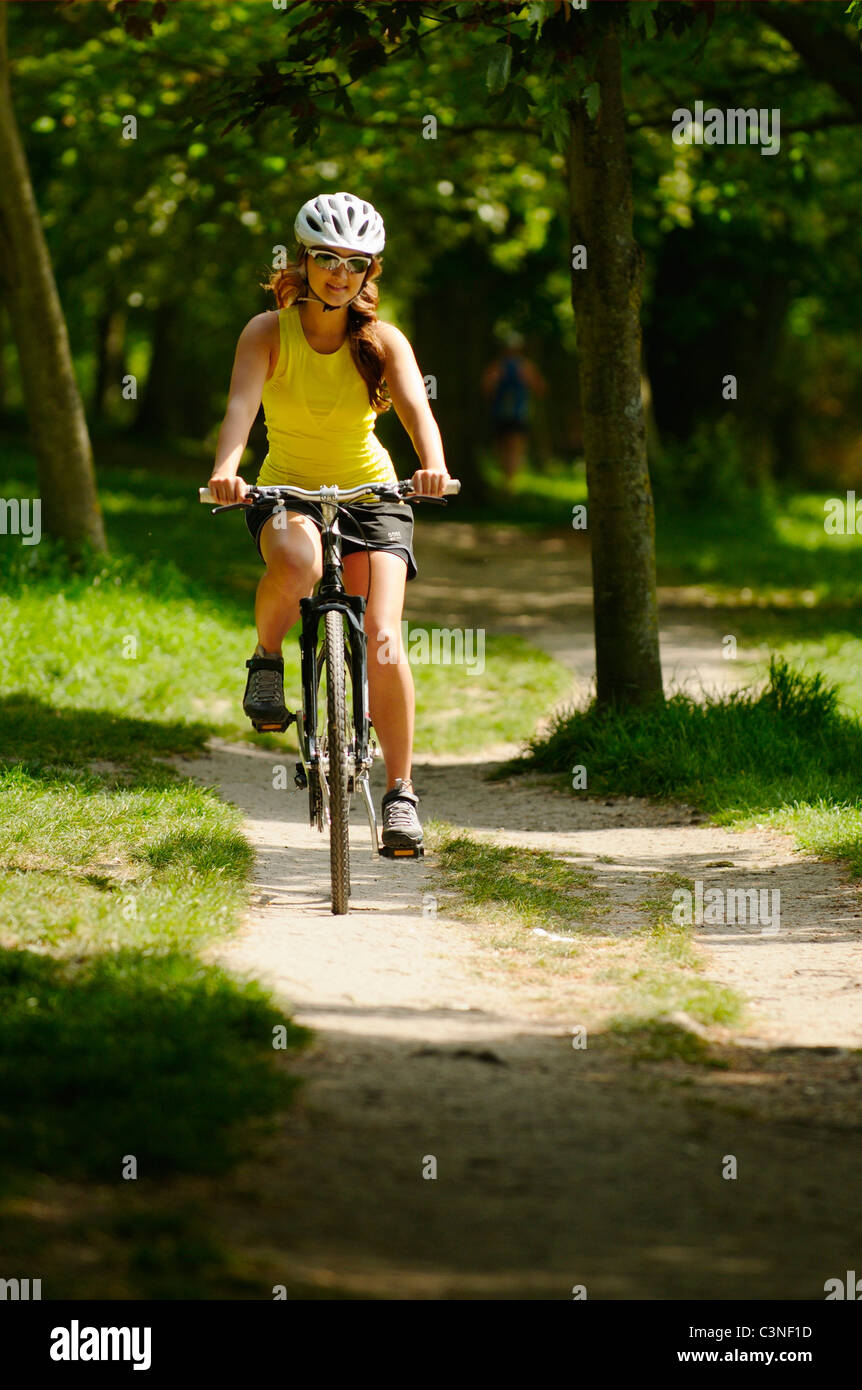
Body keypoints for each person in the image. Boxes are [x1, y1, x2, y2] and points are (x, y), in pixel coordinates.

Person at [207, 191, 450, 852]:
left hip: (374, 495)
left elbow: (416, 414)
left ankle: (400, 794)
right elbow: (240, 407)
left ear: (370, 272)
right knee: (298, 565)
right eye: (326, 258)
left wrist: (433, 464)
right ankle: (266, 658)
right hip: (287, 489)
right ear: (304, 261)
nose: (339, 273)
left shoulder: (382, 340)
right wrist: (227, 469)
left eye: (355, 263)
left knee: (383, 636)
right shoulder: (267, 331)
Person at [480, 331, 547, 487]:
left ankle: (509, 481)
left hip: (510, 413)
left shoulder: (501, 367)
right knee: (508, 447)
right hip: (509, 413)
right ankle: (509, 480)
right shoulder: (522, 366)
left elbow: (485, 389)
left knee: (511, 447)